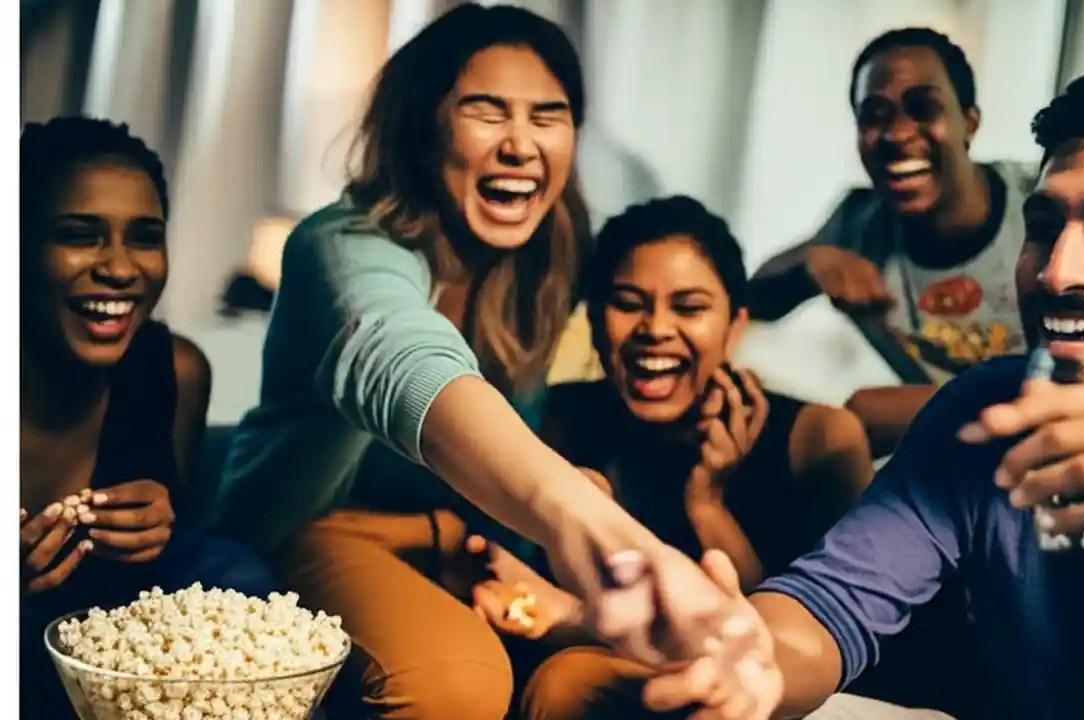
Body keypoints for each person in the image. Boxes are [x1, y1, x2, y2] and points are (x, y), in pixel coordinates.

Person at [646, 58, 1084, 720]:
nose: (1057, 272)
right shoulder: (980, 412)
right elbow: (832, 601)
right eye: (1046, 227)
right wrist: (748, 662)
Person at [212, 6, 763, 718]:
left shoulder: (555, 253)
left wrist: (820, 260)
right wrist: (576, 517)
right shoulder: (339, 248)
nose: (521, 145)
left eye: (549, 116)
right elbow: (403, 359)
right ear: (423, 125)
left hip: (470, 541)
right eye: (486, 111)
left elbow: (676, 283)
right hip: (311, 531)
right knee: (459, 684)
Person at [461, 196, 875, 718]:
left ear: (735, 325)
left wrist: (708, 505)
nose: (655, 328)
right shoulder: (553, 420)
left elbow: (822, 634)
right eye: (629, 303)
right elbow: (509, 590)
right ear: (593, 323)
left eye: (689, 307)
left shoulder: (819, 438)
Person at [18, 117, 277, 718]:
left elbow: (179, 563)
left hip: (116, 663)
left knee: (238, 574)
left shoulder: (177, 371)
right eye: (79, 235)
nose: (119, 267)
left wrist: (161, 525)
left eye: (144, 236)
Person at [748, 28, 1037, 458]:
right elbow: (752, 303)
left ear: (970, 123)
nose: (897, 134)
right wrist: (808, 260)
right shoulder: (860, 224)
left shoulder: (1045, 206)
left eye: (923, 108)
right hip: (953, 477)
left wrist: (936, 409)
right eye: (875, 115)